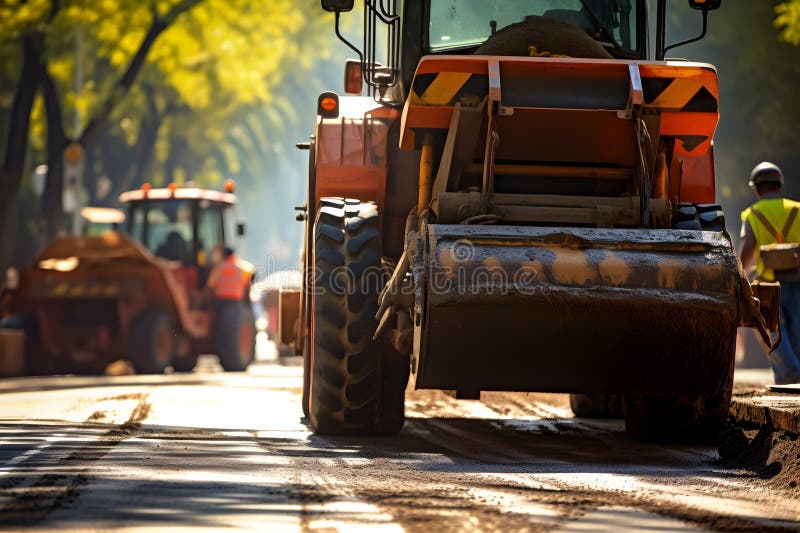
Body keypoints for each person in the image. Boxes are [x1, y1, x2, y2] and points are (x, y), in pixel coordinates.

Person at [739, 161, 800, 384]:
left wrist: (740, 276)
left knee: (773, 333)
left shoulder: (753, 214)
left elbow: (746, 248)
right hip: (798, 280)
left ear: (756, 188)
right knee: (798, 332)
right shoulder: (797, 209)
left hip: (769, 286)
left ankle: (789, 376)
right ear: (779, 184)